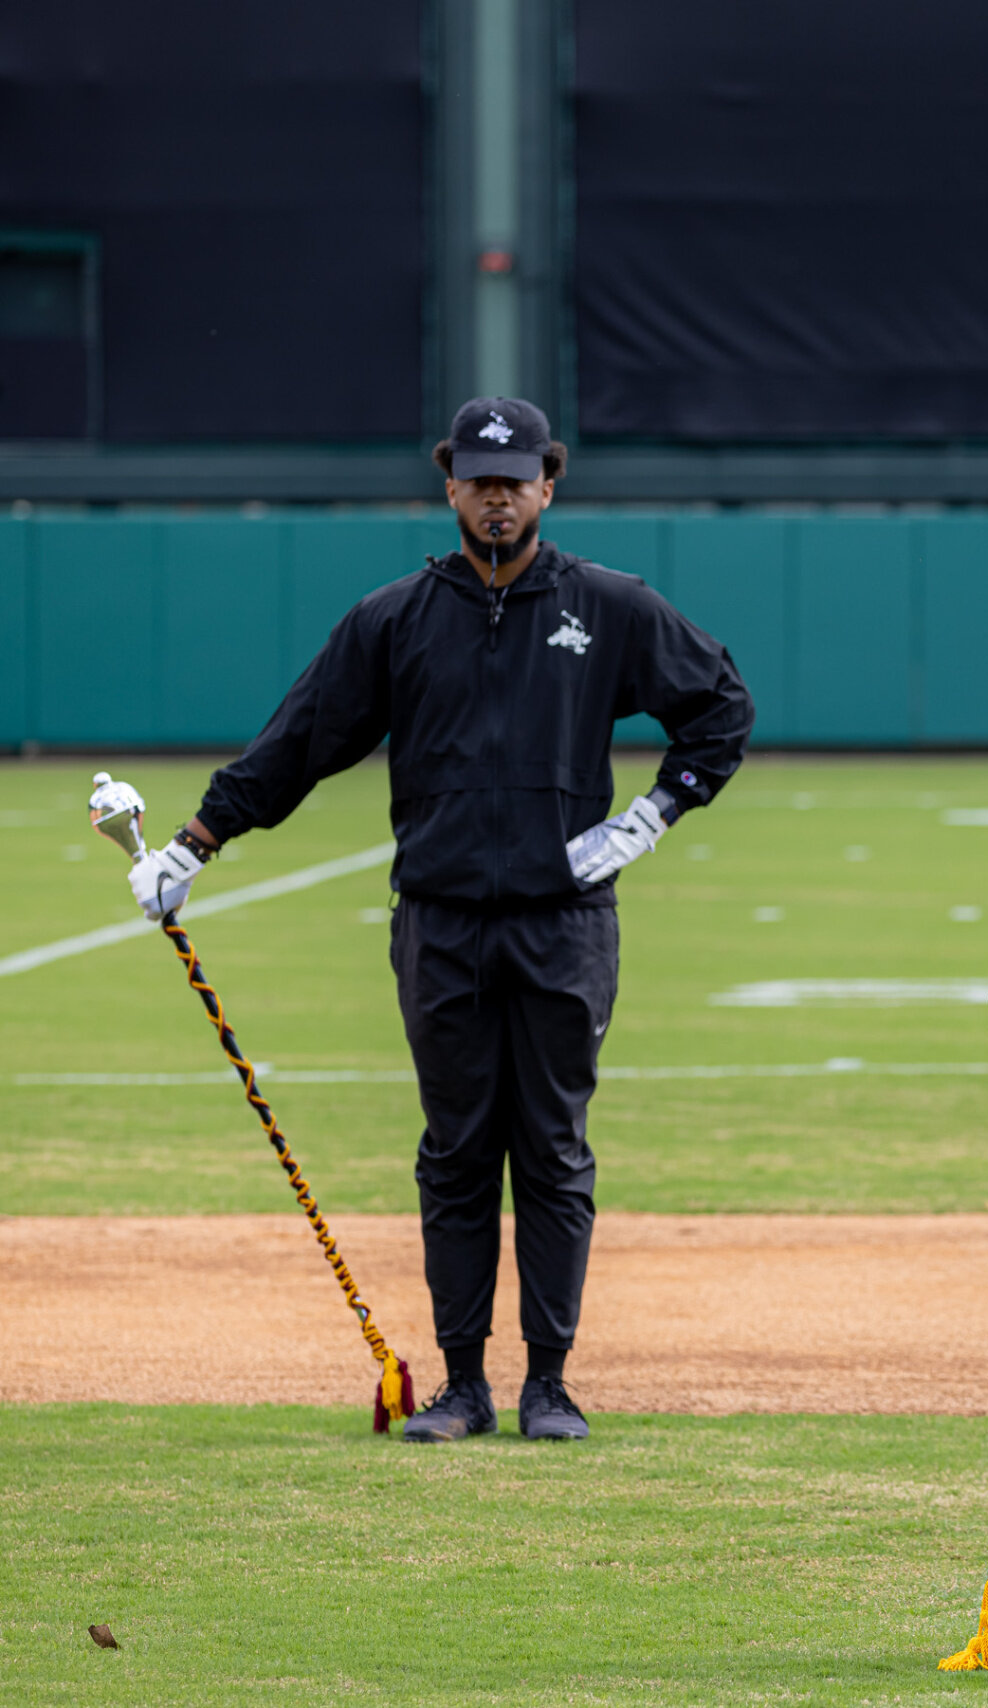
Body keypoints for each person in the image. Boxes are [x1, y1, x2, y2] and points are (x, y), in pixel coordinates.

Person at [122, 397, 754, 1443]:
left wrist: (649, 815)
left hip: (563, 924)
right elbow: (302, 739)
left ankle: (549, 1382)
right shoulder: (394, 619)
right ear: (448, 483)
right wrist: (196, 840)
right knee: (457, 1148)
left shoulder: (607, 606)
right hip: (441, 922)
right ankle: (462, 1382)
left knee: (551, 1147)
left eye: (516, 478)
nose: (497, 496)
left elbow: (719, 706)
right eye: (478, 477)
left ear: (548, 483)